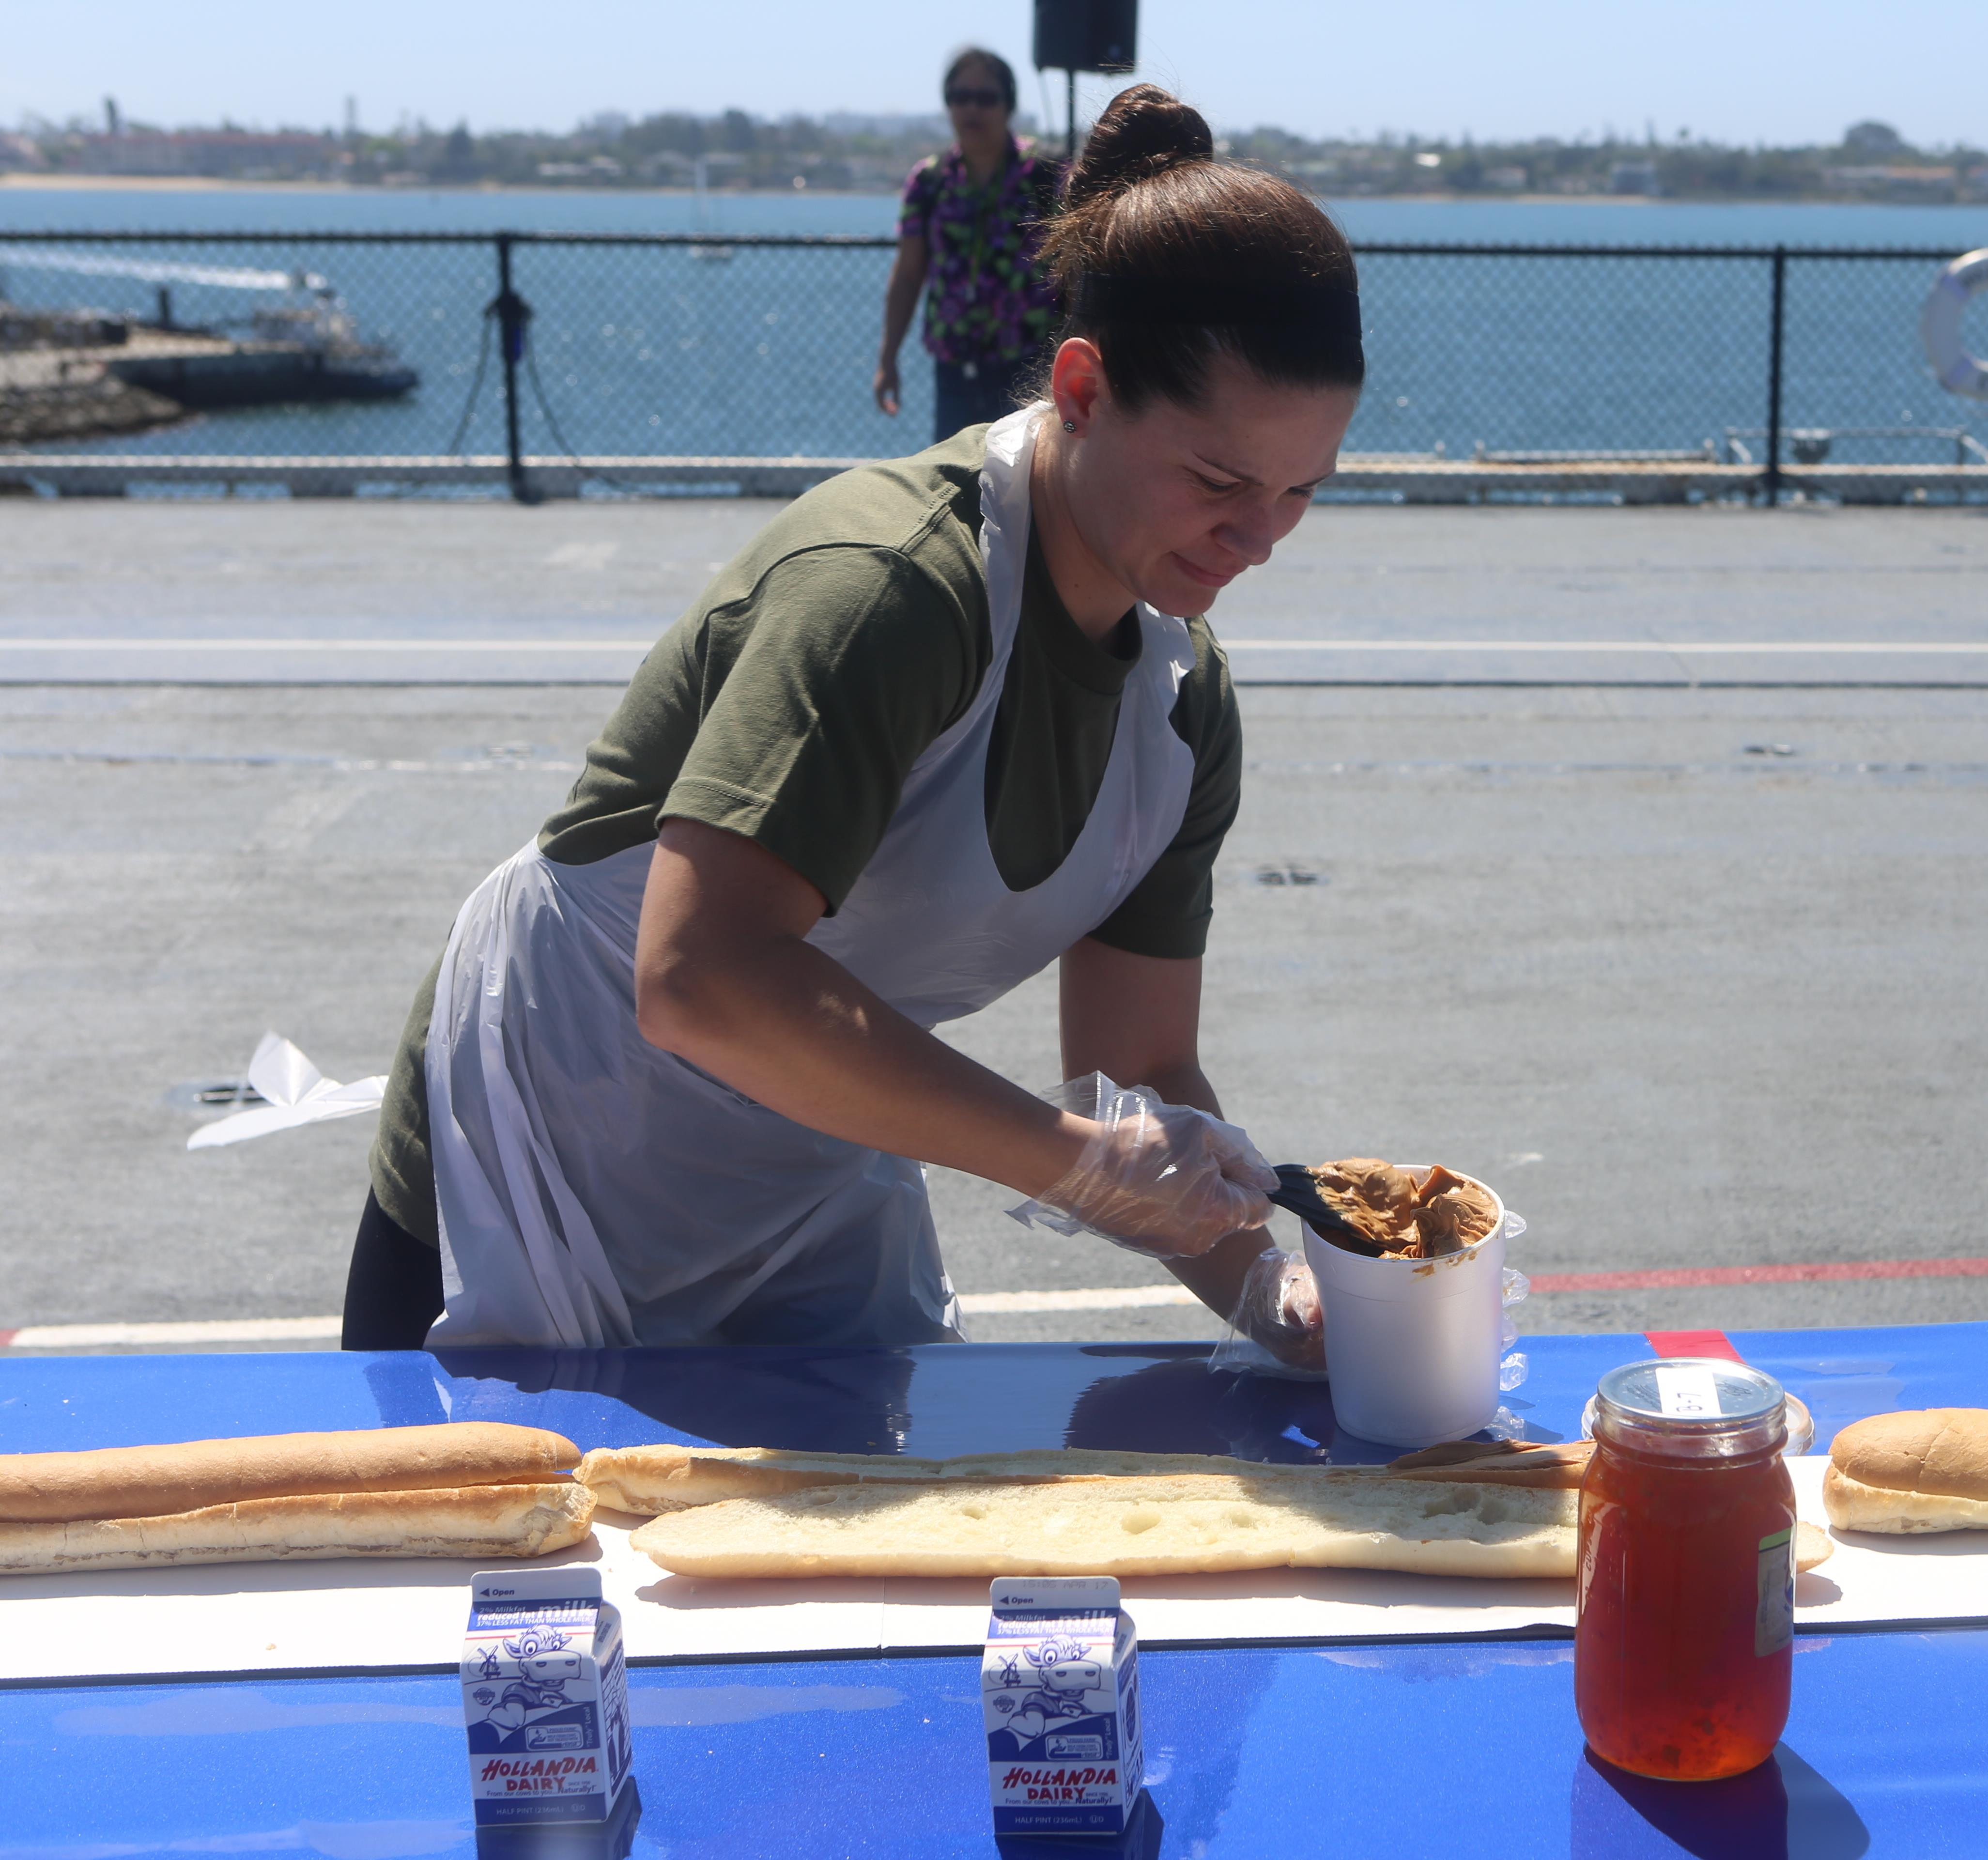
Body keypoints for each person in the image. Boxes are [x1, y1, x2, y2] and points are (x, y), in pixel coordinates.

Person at [343, 83, 1364, 1358]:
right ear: (1085, 388)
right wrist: (1076, 1166)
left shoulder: (1181, 706)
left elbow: (1140, 1072)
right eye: (1219, 481)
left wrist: (1281, 1301)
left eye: (1299, 493)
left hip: (805, 1160)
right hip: (542, 1143)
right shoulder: (893, 590)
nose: (1258, 540)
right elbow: (700, 978)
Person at [874, 47, 1066, 438]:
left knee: (1028, 486)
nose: (971, 109)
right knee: (958, 483)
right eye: (960, 97)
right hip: (956, 369)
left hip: (1030, 369)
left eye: (986, 98)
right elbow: (909, 274)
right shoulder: (929, 181)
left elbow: (1074, 274)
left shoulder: (1047, 176)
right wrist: (888, 358)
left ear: (1008, 105)